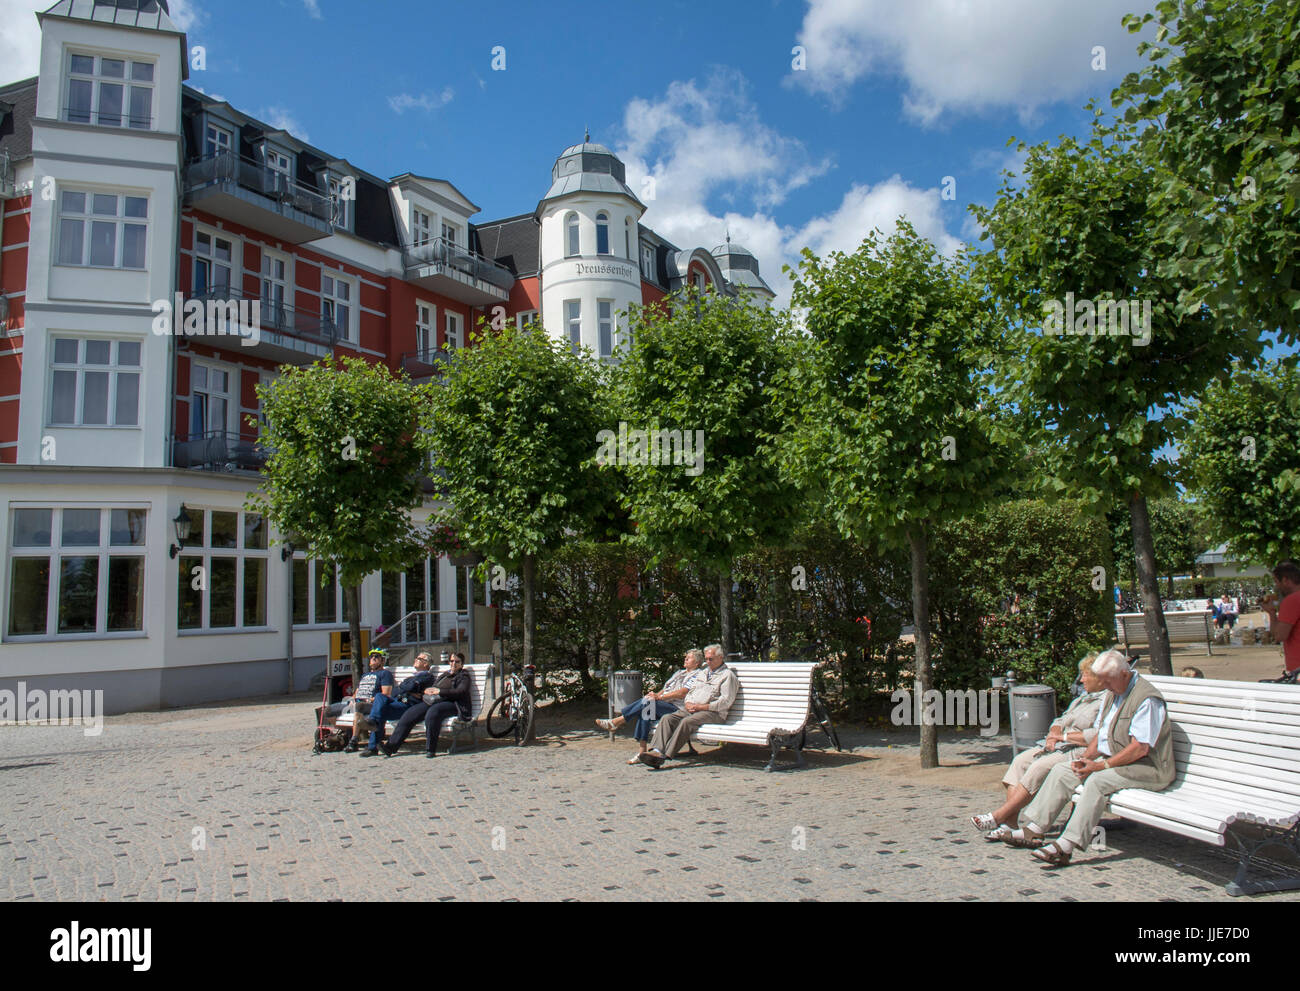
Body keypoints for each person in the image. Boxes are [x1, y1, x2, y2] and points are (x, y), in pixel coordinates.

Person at [999, 649, 1174, 865]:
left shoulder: (1147, 699)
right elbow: (1102, 736)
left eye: (1108, 681)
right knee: (1064, 770)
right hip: (1121, 761)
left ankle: (1066, 845)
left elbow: (1140, 749)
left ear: (1124, 674)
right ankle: (1034, 829)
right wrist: (1086, 760)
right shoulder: (1114, 692)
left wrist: (1100, 766)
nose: (1106, 687)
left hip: (1150, 767)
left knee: (1098, 781)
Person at [969, 654, 1105, 840]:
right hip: (1059, 745)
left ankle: (998, 816)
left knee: (1039, 766)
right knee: (1020, 761)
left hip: (1080, 750)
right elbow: (1061, 719)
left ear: (1098, 677)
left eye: (1085, 675)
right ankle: (1010, 823)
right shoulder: (1083, 698)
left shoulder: (1106, 702)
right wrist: (1053, 734)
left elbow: (1097, 736)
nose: (1081, 680)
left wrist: (1062, 736)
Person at [596, 649, 706, 764]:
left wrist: (659, 698)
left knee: (648, 704)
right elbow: (665, 689)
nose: (685, 659)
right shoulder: (679, 673)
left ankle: (617, 721)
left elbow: (682, 693)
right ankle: (641, 752)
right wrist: (655, 695)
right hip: (664, 704)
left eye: (689, 658)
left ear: (697, 662)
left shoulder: (697, 675)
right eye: (685, 657)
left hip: (678, 708)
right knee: (646, 707)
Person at [637, 644, 737, 769]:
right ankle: (656, 750)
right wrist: (688, 703)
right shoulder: (703, 673)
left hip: (713, 713)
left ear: (720, 657)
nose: (708, 662)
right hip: (691, 708)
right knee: (666, 718)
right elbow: (689, 693)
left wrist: (702, 707)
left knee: (684, 721)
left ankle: (663, 755)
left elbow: (725, 702)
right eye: (706, 659)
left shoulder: (727, 676)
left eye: (710, 659)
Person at [382, 653, 472, 758]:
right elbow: (434, 686)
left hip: (453, 704)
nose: (454, 664)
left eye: (457, 662)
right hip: (434, 700)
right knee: (410, 714)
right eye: (452, 661)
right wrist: (427, 690)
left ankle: (431, 749)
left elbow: (460, 692)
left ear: (462, 664)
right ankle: (390, 747)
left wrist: (440, 691)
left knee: (433, 712)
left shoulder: (463, 675)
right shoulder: (445, 675)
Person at [364, 652, 434, 756]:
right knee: (379, 697)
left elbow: (409, 687)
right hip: (398, 702)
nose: (415, 659)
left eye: (419, 658)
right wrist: (407, 689)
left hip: (407, 706)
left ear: (426, 664)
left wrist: (405, 688)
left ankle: (372, 739)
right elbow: (395, 691)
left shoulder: (427, 677)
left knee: (380, 712)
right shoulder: (410, 678)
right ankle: (373, 736)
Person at [343, 648, 395, 754]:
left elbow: (386, 694)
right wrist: (352, 699)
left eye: (376, 657)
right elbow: (356, 692)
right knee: (330, 710)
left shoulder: (385, 674)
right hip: (358, 702)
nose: (373, 659)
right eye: (371, 657)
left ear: (383, 660)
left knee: (359, 706)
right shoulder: (364, 675)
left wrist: (369, 699)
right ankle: (339, 738)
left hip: (372, 705)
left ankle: (354, 741)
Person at [1263, 560, 1300, 673]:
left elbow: (1279, 636)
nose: (1276, 586)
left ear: (1285, 580)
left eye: (1276, 581)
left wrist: (1272, 613)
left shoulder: (1292, 601)